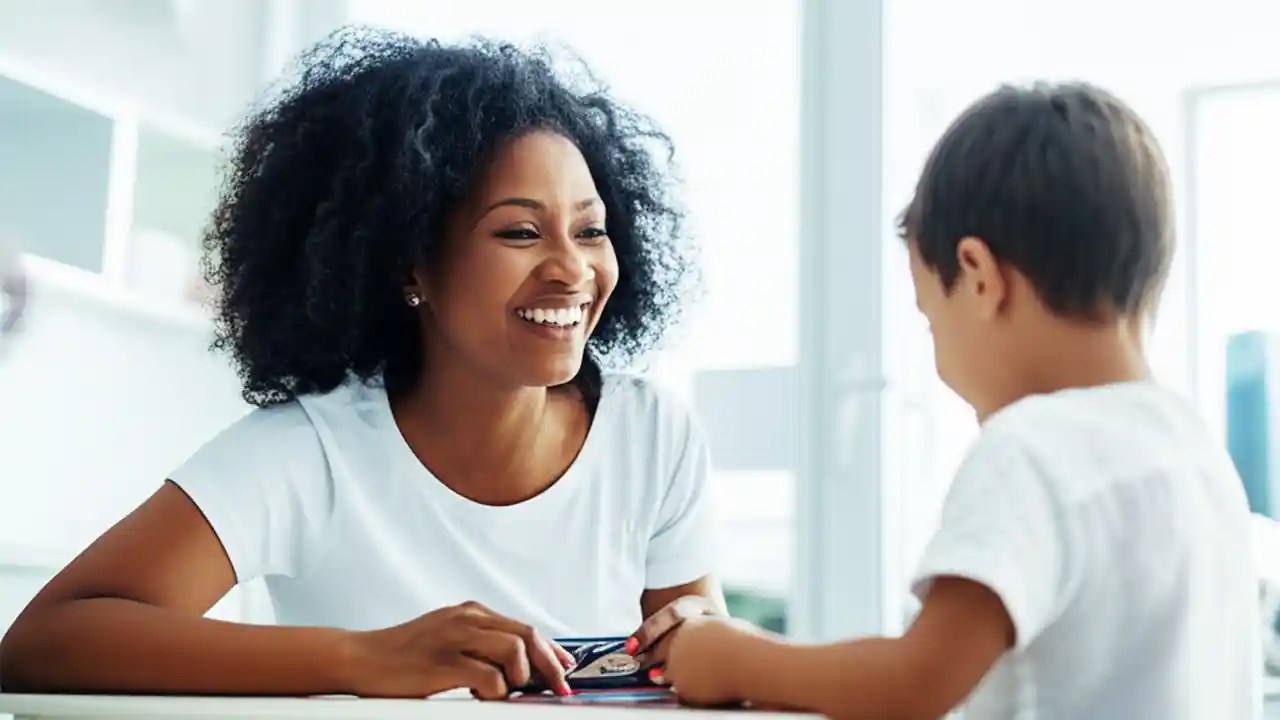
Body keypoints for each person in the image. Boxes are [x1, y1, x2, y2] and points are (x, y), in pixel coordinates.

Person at [0, 27, 721, 699]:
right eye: (521, 231)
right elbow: (41, 643)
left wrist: (705, 648)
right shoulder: (312, 452)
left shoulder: (652, 436)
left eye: (591, 230)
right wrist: (367, 658)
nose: (572, 269)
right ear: (410, 264)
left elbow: (689, 673)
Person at [655, 82, 1261, 719]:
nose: (940, 357)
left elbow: (916, 682)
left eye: (930, 319)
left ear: (979, 276)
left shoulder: (1033, 450)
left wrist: (735, 656)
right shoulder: (1195, 453)